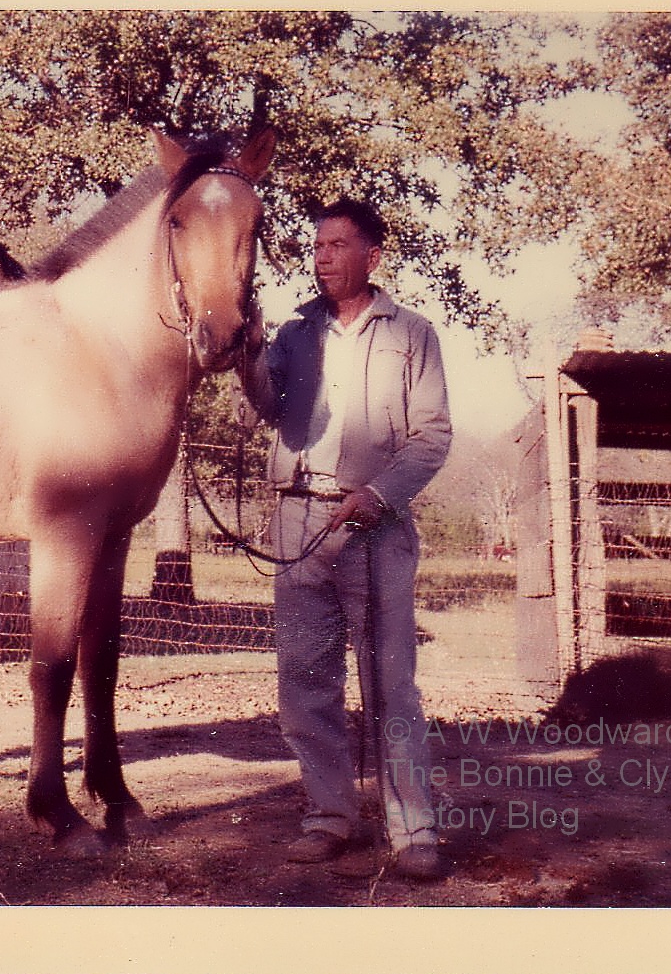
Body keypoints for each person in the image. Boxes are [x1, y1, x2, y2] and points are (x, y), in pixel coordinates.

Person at [237, 197, 452, 881]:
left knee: (391, 683)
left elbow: (433, 435)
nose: (323, 257)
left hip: (376, 524)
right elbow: (266, 401)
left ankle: (412, 828)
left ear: (372, 256)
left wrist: (378, 495)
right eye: (318, 245)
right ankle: (329, 816)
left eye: (336, 245)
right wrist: (246, 349)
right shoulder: (297, 330)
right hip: (300, 518)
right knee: (306, 680)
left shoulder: (413, 334)